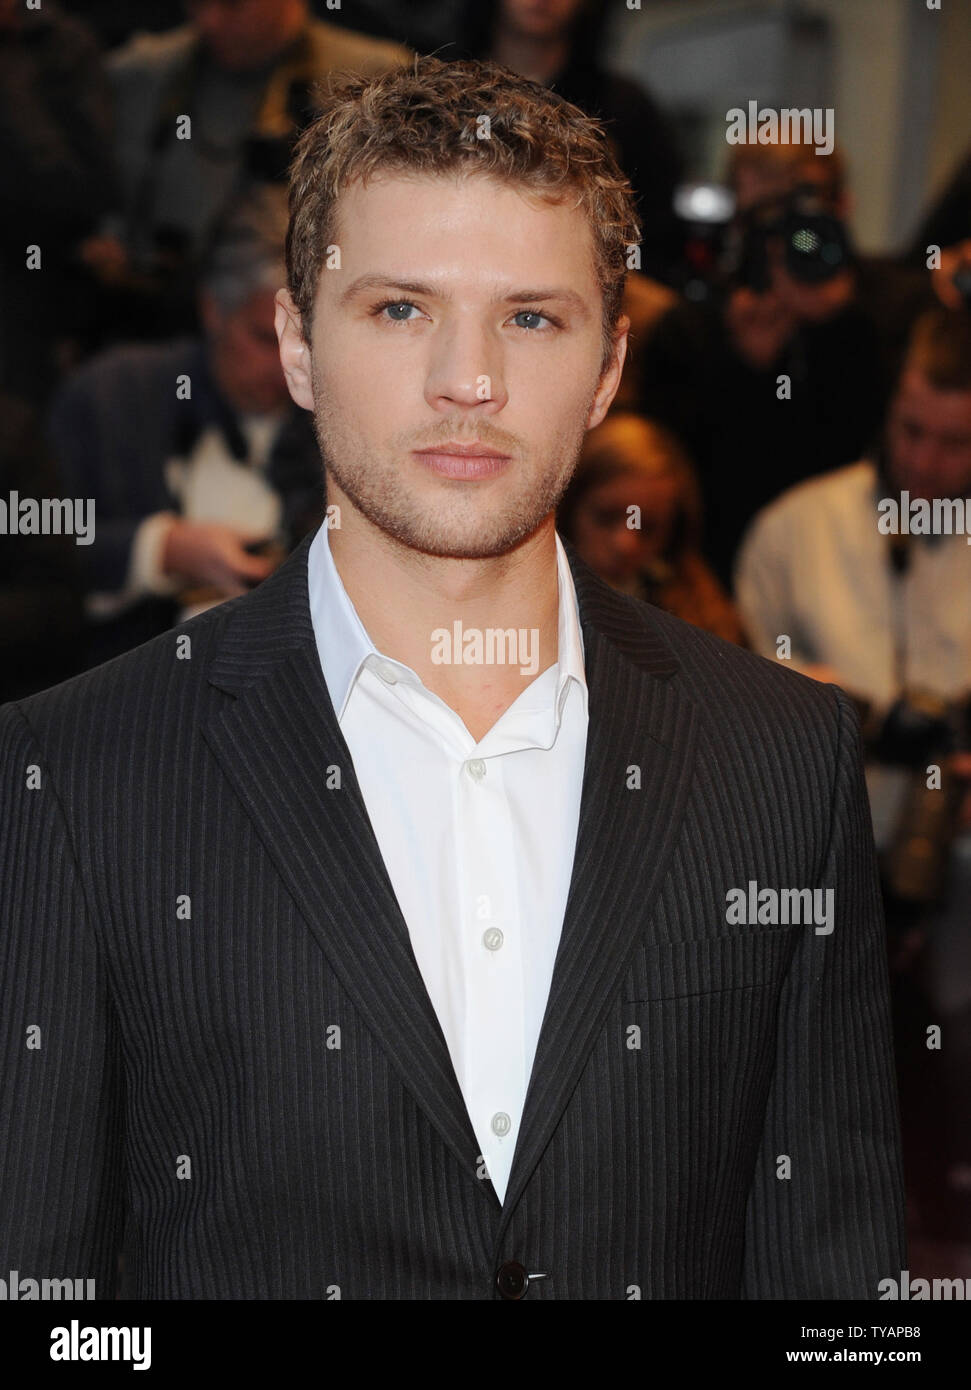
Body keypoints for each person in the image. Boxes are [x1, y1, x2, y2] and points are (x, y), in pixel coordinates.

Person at [0, 56, 904, 1300]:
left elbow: (831, 1283)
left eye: (529, 317)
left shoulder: (781, 758)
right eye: (399, 310)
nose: (465, 381)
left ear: (605, 368)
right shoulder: (78, 771)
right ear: (296, 344)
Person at [48, 190, 326, 668]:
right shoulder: (112, 395)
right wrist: (162, 549)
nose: (288, 366)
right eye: (264, 338)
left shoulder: (338, 419)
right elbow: (35, 560)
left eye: (309, 341)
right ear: (212, 310)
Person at [557, 412, 743, 643]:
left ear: (673, 534)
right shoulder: (526, 605)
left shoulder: (699, 614)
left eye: (648, 528)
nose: (625, 544)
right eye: (605, 517)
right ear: (566, 508)